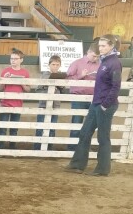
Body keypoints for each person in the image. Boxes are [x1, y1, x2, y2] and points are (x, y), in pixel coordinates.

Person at [65, 34, 122, 176]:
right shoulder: (106, 61)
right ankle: (77, 164)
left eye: (103, 46)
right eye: (100, 45)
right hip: (97, 103)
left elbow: (116, 86)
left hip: (104, 105)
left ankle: (102, 169)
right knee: (85, 132)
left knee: (103, 137)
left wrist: (105, 104)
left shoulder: (113, 63)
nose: (100, 48)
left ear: (111, 46)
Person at [0, 48, 30, 150]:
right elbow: (0, 88)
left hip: (18, 104)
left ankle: (12, 148)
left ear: (21, 60)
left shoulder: (25, 73)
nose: (13, 61)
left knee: (14, 128)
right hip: (5, 103)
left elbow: (28, 89)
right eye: (11, 59)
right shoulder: (5, 71)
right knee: (2, 127)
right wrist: (4, 80)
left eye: (15, 58)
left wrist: (23, 84)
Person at [66, 44, 100, 141]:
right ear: (88, 52)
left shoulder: (99, 65)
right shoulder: (77, 63)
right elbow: (68, 78)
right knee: (77, 121)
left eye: (98, 56)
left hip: (93, 97)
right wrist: (80, 75)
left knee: (91, 123)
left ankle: (83, 146)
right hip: (78, 96)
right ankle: (72, 146)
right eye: (94, 56)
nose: (96, 58)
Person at [33, 54, 66, 150]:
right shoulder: (44, 75)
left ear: (60, 65)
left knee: (52, 127)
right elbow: (37, 89)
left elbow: (63, 91)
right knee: (40, 126)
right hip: (44, 104)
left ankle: (49, 148)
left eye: (57, 64)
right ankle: (37, 148)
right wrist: (47, 86)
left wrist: (61, 86)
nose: (55, 66)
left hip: (55, 104)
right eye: (53, 64)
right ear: (49, 65)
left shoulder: (61, 76)